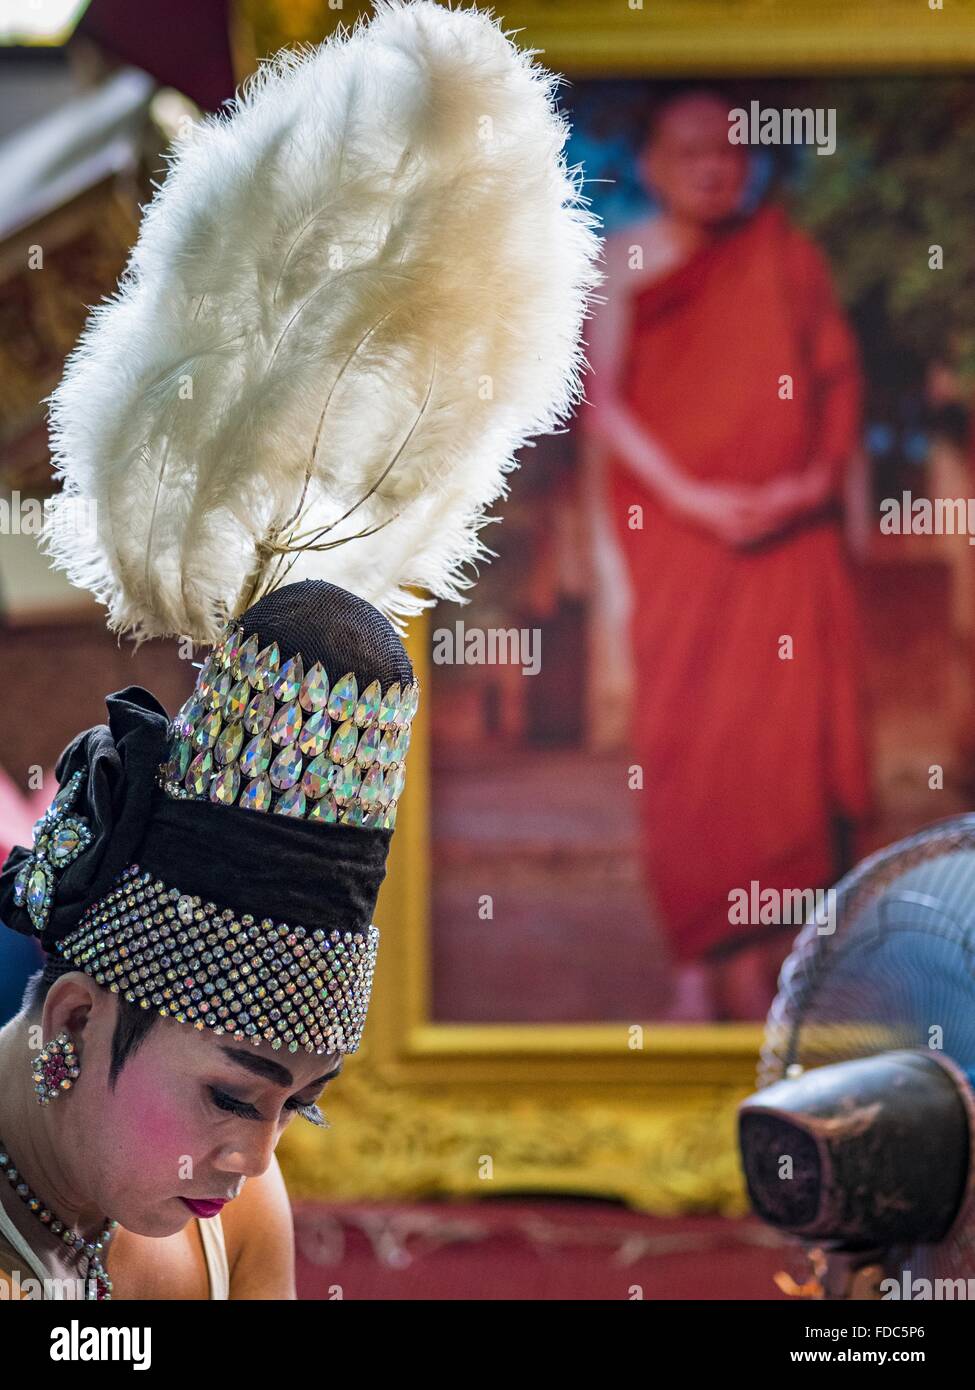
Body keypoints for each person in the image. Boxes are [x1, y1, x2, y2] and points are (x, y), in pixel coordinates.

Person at [0, 1, 601, 1299]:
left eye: (297, 1105)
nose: (254, 1152)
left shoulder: (231, 1221)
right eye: (233, 1090)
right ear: (71, 1022)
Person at [583, 88, 871, 1020]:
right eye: (691, 151)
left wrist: (808, 486)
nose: (714, 167)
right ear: (656, 164)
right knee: (688, 746)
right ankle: (694, 968)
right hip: (679, 540)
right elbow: (605, 408)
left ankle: (765, 969)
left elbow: (834, 388)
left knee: (784, 753)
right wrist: (692, 498)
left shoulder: (784, 256)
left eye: (731, 151)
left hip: (789, 546)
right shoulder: (624, 262)